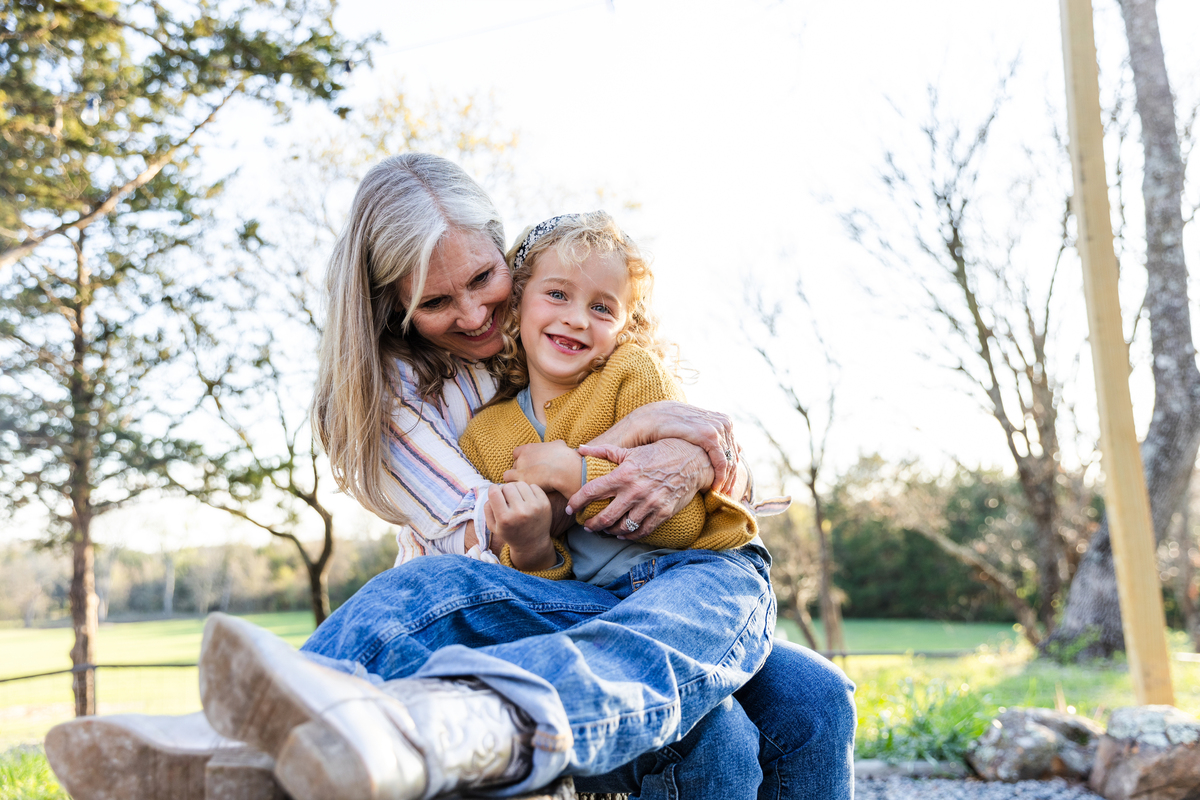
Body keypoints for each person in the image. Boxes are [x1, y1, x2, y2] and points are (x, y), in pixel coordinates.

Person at [45, 153, 856, 800]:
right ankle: (246, 744)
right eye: (438, 302)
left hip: (669, 584)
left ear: (512, 260)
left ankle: (265, 750)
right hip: (527, 598)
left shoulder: (564, 333)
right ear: (392, 305)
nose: (473, 314)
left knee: (815, 699)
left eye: (483, 281)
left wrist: (684, 453)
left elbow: (711, 493)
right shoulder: (398, 396)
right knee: (425, 593)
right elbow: (493, 532)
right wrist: (630, 451)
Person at [459, 210, 759, 582]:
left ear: (624, 326)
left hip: (680, 574)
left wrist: (576, 474)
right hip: (580, 604)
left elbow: (685, 523)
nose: (578, 319)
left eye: (602, 307)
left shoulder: (634, 373)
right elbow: (532, 575)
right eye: (557, 294)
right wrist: (531, 547)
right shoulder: (484, 434)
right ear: (517, 302)